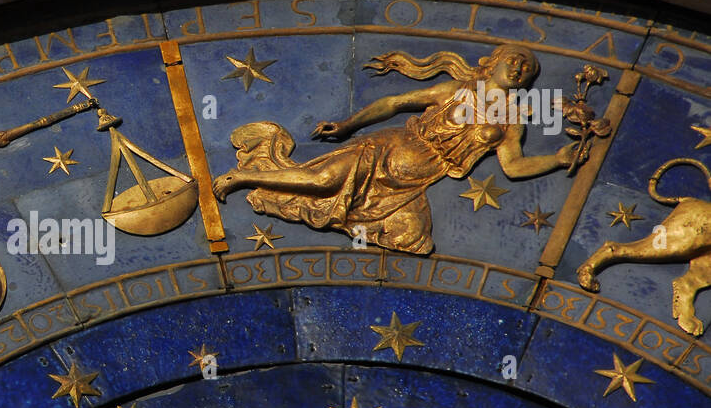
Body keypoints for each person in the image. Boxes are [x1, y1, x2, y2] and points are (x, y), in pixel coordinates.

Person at [212, 44, 577, 254]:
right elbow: (395, 103)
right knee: (322, 180)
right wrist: (348, 125)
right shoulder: (456, 90)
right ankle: (241, 175)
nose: (517, 68)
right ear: (492, 63)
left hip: (413, 183)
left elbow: (514, 167)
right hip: (384, 151)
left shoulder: (510, 120)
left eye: (525, 67)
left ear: (528, 79)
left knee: (413, 242)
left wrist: (558, 160)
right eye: (512, 60)